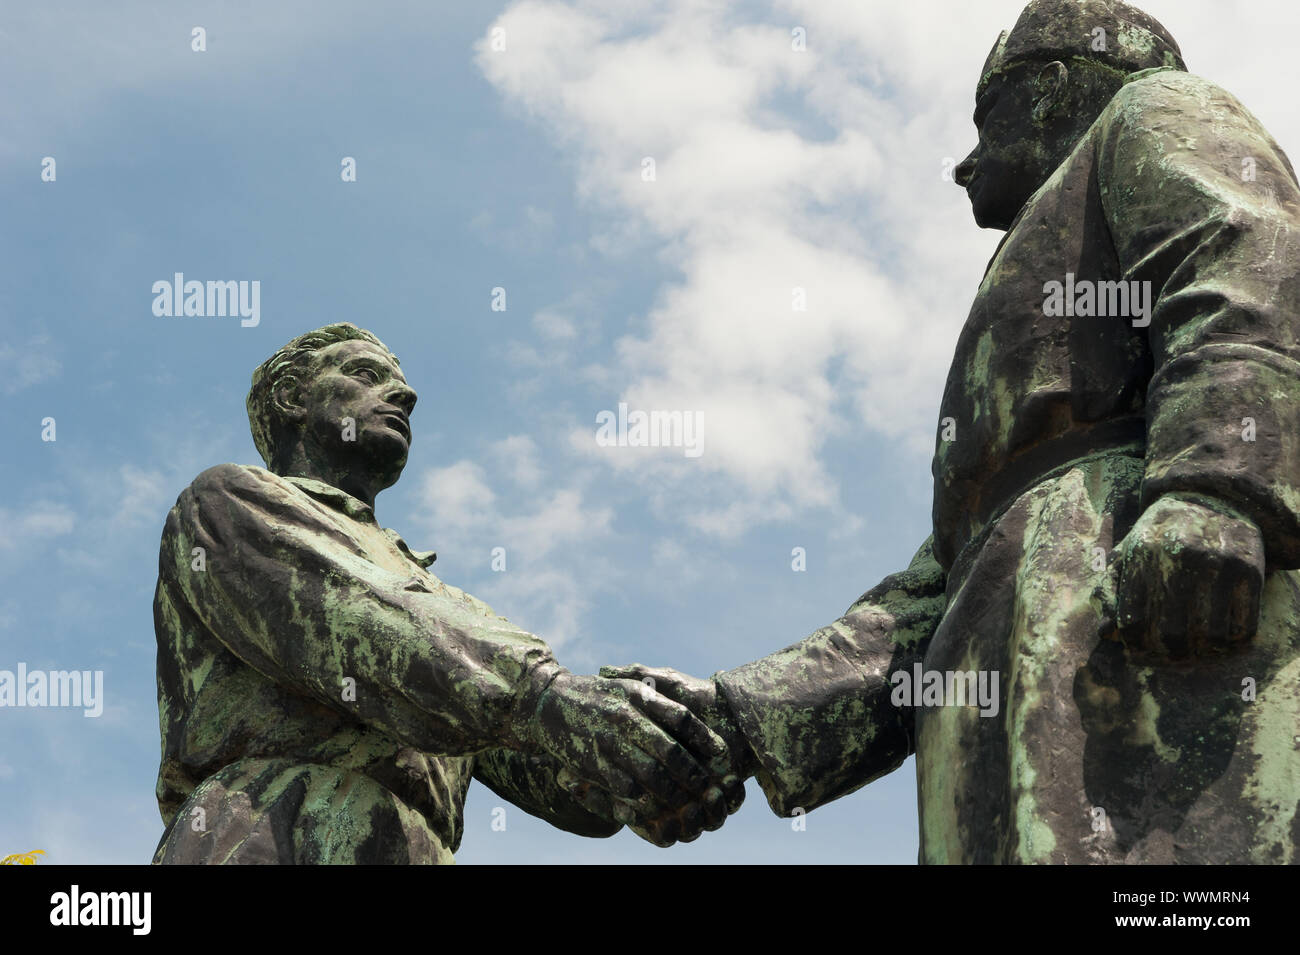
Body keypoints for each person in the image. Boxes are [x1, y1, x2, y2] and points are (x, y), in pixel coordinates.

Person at [611, 0, 1300, 863]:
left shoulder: (1154, 108)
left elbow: (1243, 262)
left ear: (1049, 91)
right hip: (1004, 639)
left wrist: (1215, 486)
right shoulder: (1027, 333)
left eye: (988, 119)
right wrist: (742, 721)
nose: (965, 163)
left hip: (1143, 588)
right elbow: (932, 596)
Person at [151, 322, 741, 863]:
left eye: (403, 387)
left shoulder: (442, 602)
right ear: (292, 398)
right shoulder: (228, 501)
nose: (403, 396)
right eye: (365, 374)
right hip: (274, 826)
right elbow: (365, 623)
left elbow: (545, 765)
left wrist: (646, 761)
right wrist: (552, 701)